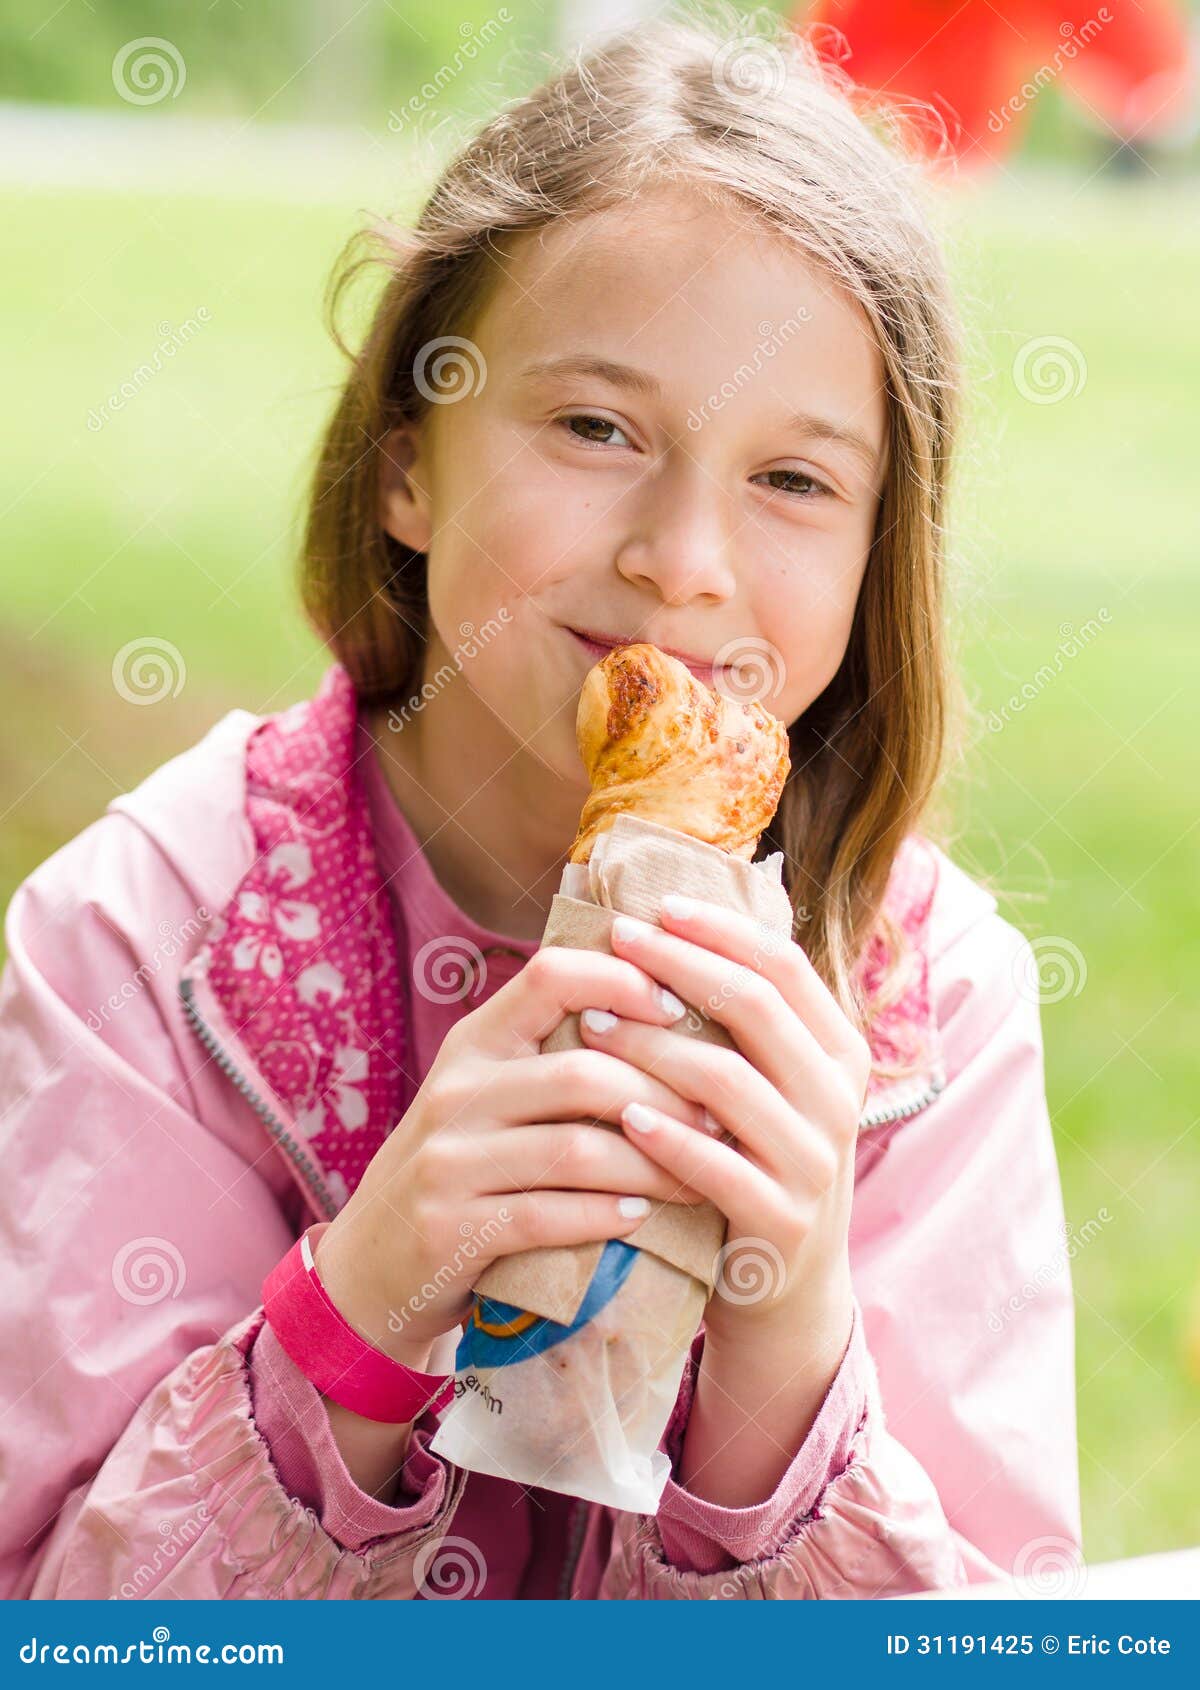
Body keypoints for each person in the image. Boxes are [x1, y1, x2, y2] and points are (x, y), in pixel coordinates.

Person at [0, 12, 1080, 1600]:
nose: (683, 558)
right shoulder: (149, 941)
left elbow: (1004, 1637)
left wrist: (784, 1352)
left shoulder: (930, 1012)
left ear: (877, 559)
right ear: (406, 462)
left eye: (794, 480)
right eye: (595, 428)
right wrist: (358, 1305)